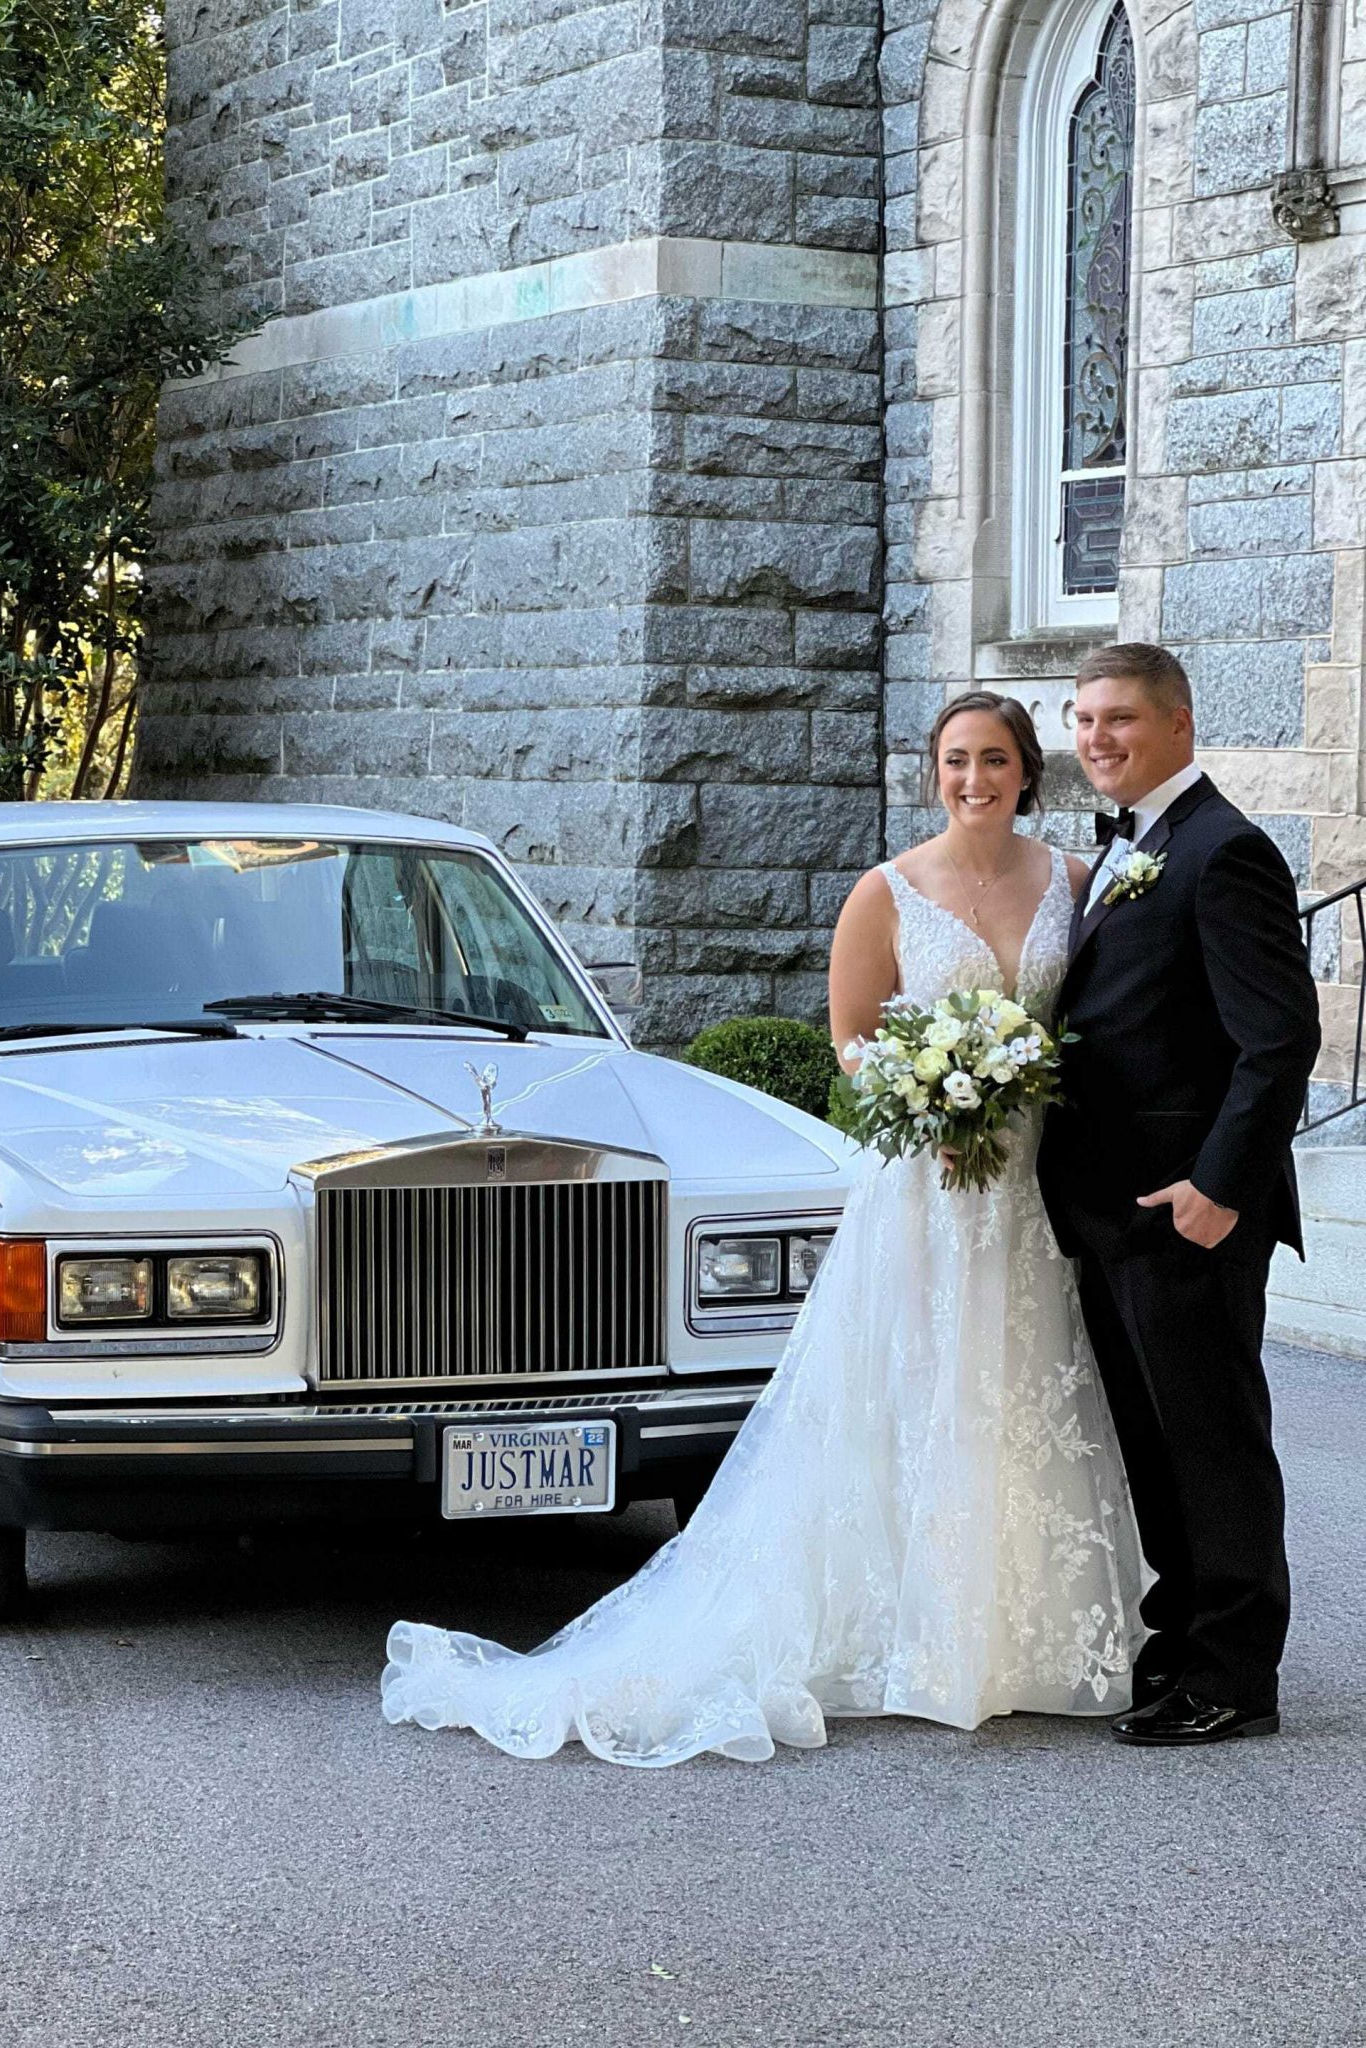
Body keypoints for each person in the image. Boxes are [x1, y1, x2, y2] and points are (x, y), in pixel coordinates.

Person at [380, 690, 1144, 1765]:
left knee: (1021, 1389)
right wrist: (937, 1090)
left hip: (1029, 1191)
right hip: (924, 1185)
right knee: (912, 1394)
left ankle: (1015, 1637)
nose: (975, 779)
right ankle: (910, 1634)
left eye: (996, 760)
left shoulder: (1072, 881)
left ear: (1028, 771)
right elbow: (849, 1042)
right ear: (937, 773)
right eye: (957, 761)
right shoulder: (888, 892)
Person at [1038, 643, 1320, 1747]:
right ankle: (1182, 1640)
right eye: (1085, 719)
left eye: (1120, 720)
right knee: (1154, 1445)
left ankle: (1237, 1674)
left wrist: (1218, 1188)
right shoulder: (1128, 846)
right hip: (1107, 1206)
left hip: (1183, 1207)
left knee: (1212, 1441)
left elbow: (1279, 1040)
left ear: (1179, 725)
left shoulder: (1224, 850)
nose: (1098, 738)